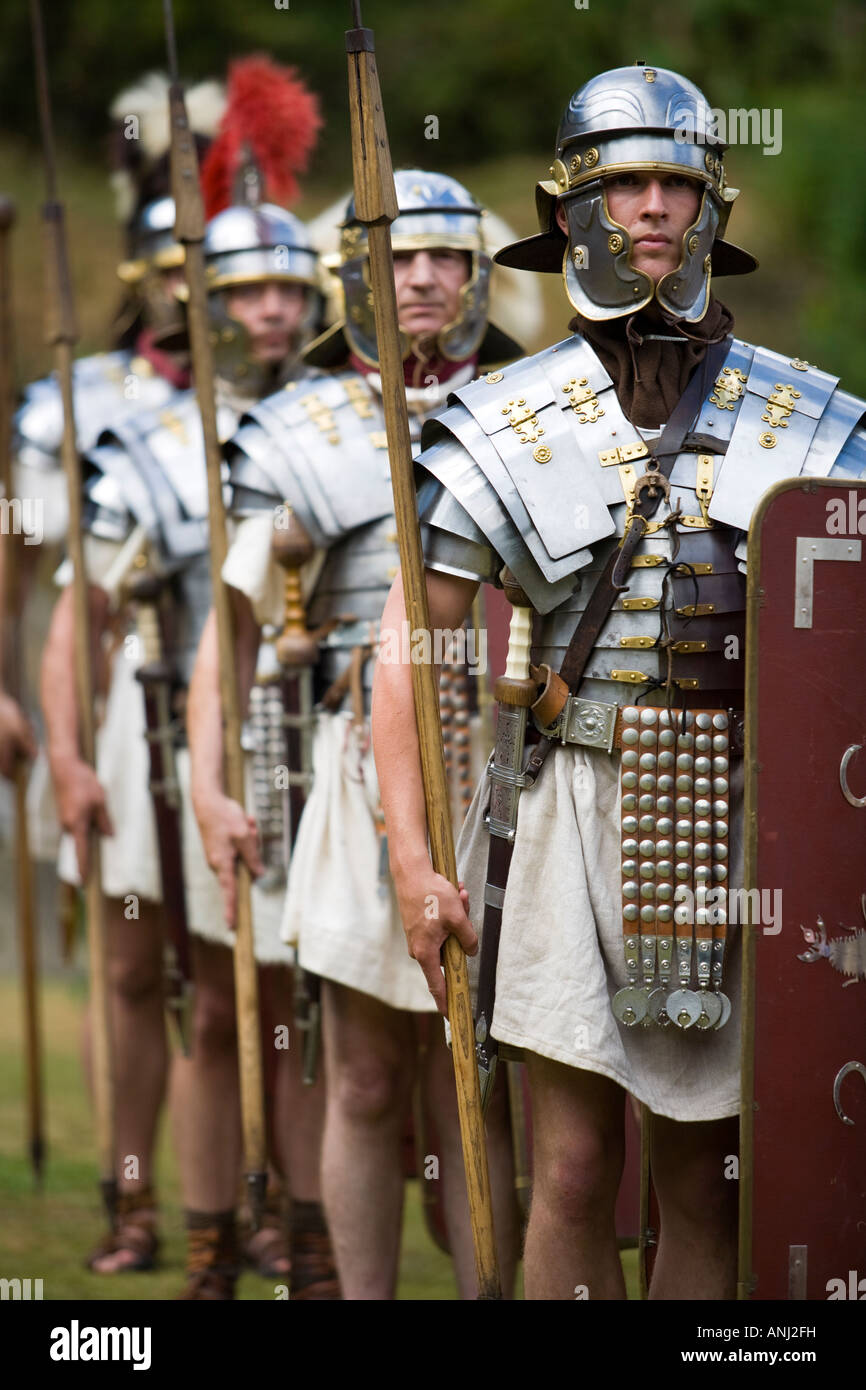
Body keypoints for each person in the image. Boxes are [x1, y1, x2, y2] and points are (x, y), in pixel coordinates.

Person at [371, 65, 866, 1299]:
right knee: (575, 1164)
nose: (651, 205)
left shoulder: (812, 421)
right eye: (624, 183)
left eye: (675, 183)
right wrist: (408, 854)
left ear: (711, 208)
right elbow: (411, 646)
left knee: (708, 1173)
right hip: (567, 803)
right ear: (571, 207)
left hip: (740, 815)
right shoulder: (499, 418)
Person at [190, 169, 524, 1298]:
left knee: (477, 1083)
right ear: (358, 274)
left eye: (443, 256)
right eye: (399, 256)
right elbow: (227, 640)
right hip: (354, 770)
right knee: (369, 1079)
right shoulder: (294, 431)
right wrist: (208, 786)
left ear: (477, 270)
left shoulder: (531, 409)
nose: (421, 277)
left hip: (511, 766)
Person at [40, 55, 333, 1297]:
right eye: (244, 292)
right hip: (155, 716)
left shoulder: (337, 422)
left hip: (309, 727)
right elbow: (78, 613)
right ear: (202, 302)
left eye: (286, 291)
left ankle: (299, 1224)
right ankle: (174, 1213)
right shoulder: (144, 438)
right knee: (168, 981)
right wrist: (62, 748)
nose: (268, 314)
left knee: (289, 998)